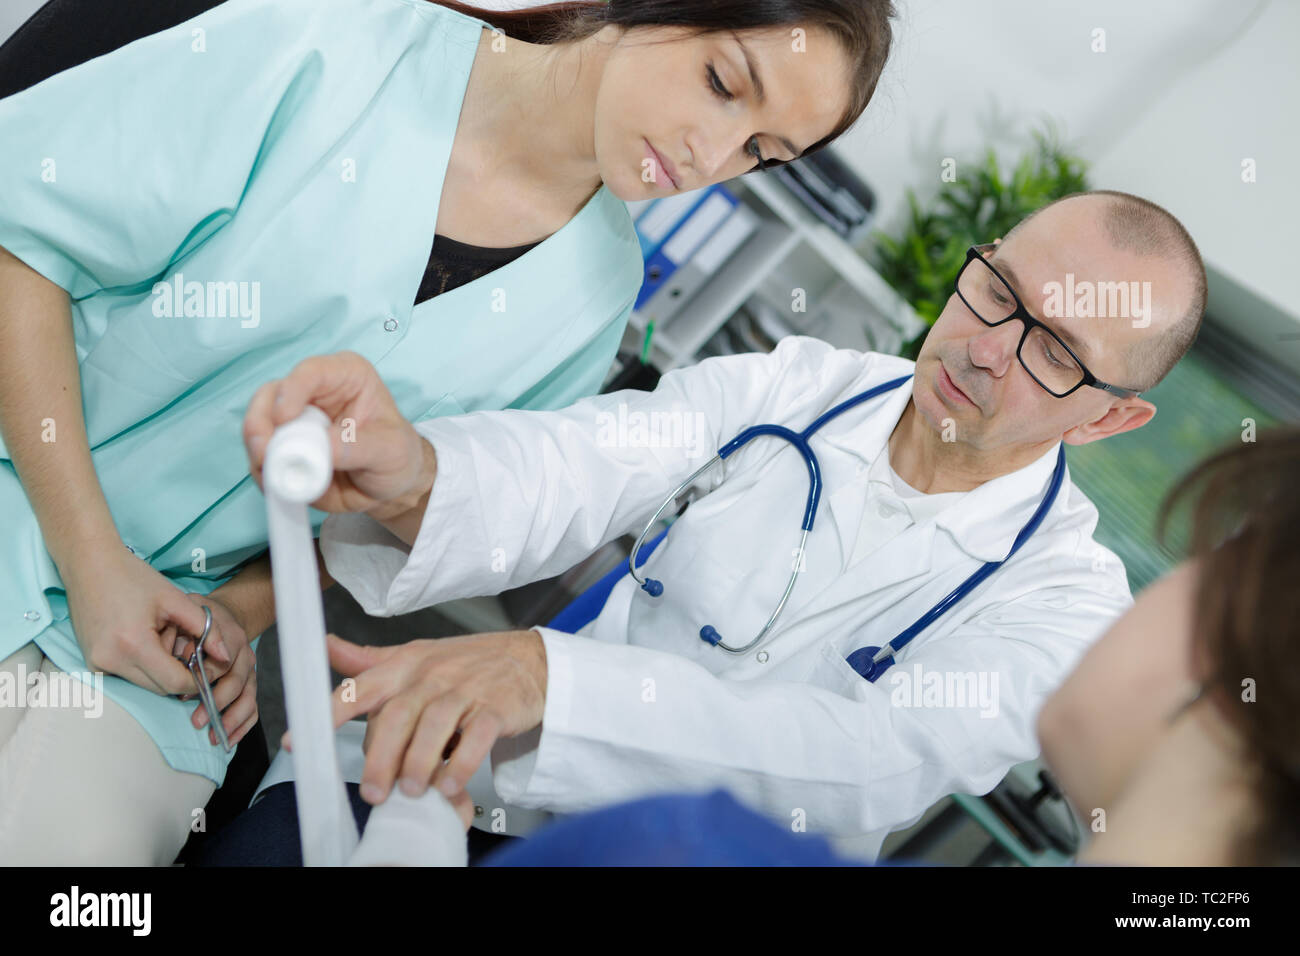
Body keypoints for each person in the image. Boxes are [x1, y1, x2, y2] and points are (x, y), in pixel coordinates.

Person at [0, 0, 897, 864]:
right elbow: (23, 244)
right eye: (721, 82)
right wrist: (93, 562)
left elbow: (362, 524)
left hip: (167, 658)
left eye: (759, 152)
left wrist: (234, 615)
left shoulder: (597, 297)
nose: (712, 155)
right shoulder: (333, 43)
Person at [234, 188, 1209, 861]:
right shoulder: (800, 384)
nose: (988, 348)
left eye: (1052, 351)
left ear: (1108, 416)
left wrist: (550, 677)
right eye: (999, 289)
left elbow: (868, 758)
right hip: (495, 775)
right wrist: (418, 474)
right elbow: (589, 458)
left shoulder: (1067, 601)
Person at [483, 427, 1300, 866]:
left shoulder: (681, 846)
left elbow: (869, 758)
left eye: (1205, 567)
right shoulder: (819, 385)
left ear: (1223, 676)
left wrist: (557, 687)